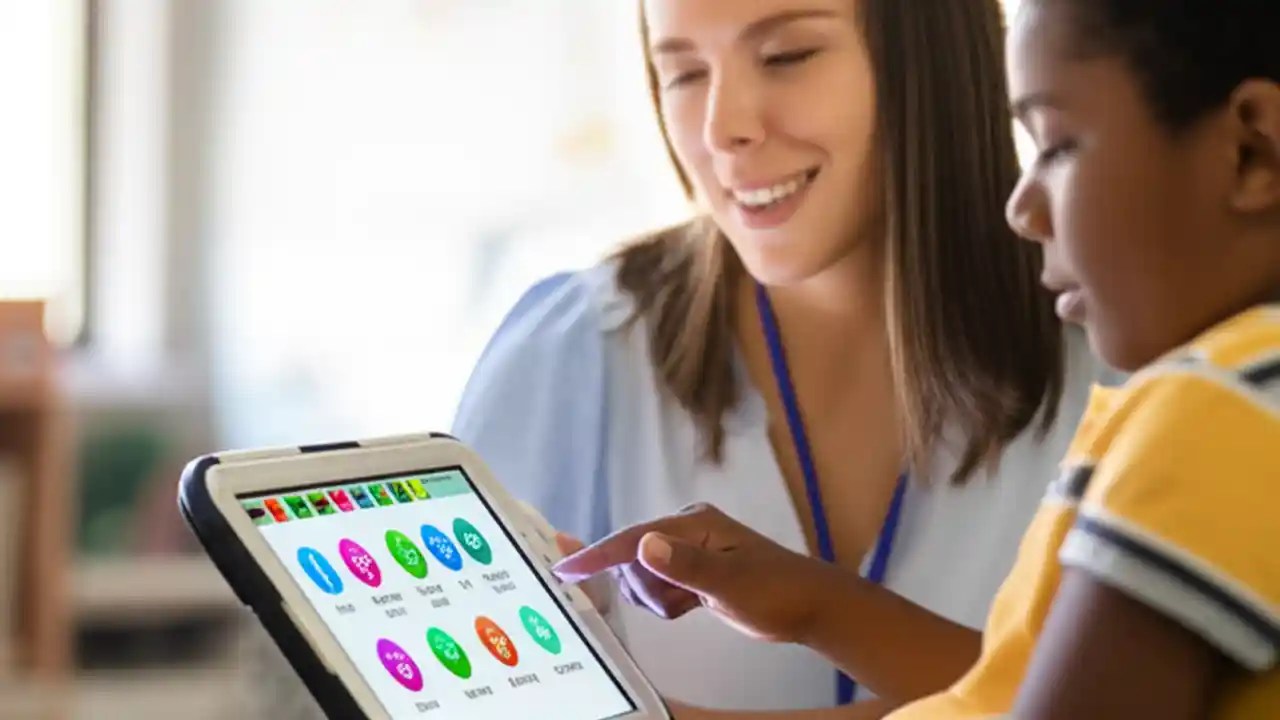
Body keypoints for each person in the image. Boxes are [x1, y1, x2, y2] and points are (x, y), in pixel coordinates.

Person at [560, 0, 1280, 718]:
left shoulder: (1212, 417)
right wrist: (818, 608)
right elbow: (1008, 691)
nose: (1023, 208)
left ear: (1253, 153)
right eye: (681, 73)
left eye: (1056, 148)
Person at [453, 0, 1112, 713]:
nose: (723, 128)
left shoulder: (1129, 349)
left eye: (786, 57)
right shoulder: (573, 350)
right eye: (683, 73)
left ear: (932, 59)